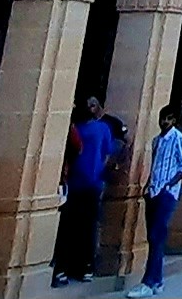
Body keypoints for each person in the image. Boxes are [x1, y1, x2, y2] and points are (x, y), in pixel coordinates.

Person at [60, 97, 120, 287]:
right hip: (85, 183)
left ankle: (75, 266)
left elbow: (109, 151)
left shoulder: (84, 128)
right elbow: (109, 151)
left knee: (75, 226)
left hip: (82, 183)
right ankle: (82, 267)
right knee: (85, 226)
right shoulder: (96, 128)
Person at [145, 105, 182, 294]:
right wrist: (148, 185)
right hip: (153, 191)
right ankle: (157, 280)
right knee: (153, 237)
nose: (164, 122)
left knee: (157, 235)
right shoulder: (157, 140)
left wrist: (169, 184)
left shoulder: (179, 138)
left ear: (173, 120)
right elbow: (155, 165)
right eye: (162, 118)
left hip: (167, 193)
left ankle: (149, 281)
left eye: (168, 118)